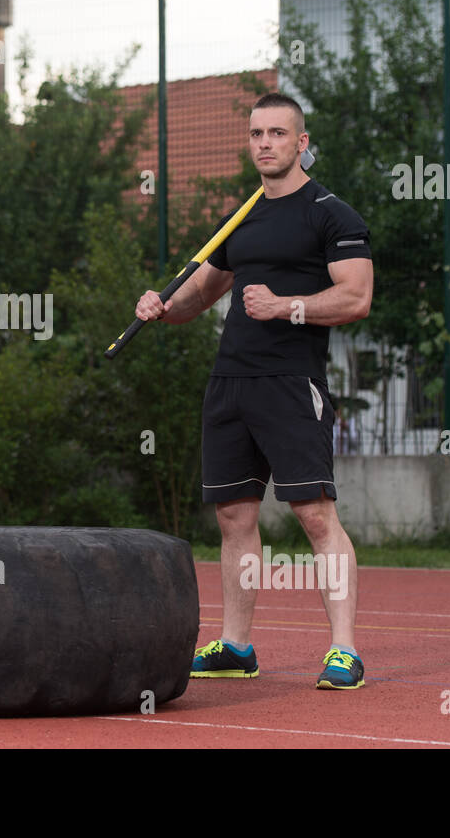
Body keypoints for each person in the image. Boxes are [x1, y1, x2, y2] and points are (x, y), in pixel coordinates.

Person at [134, 92, 373, 689]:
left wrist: (285, 307)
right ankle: (237, 646)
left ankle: (344, 650)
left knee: (315, 515)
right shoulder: (240, 218)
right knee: (234, 515)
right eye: (256, 134)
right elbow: (201, 295)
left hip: (292, 384)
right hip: (230, 382)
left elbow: (356, 298)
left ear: (302, 142)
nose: (264, 143)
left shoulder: (332, 215)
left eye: (276, 133)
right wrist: (162, 306)